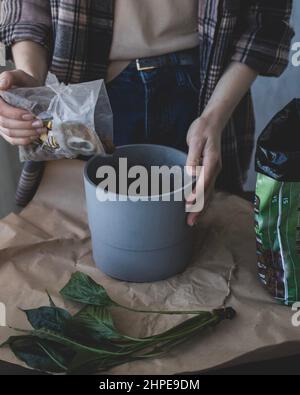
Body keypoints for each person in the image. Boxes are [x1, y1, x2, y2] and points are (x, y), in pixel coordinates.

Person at [0, 0, 294, 225]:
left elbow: (265, 21)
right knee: (79, 239)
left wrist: (214, 117)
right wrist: (29, 76)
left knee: (200, 235)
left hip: (205, 92)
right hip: (86, 96)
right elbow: (25, 7)